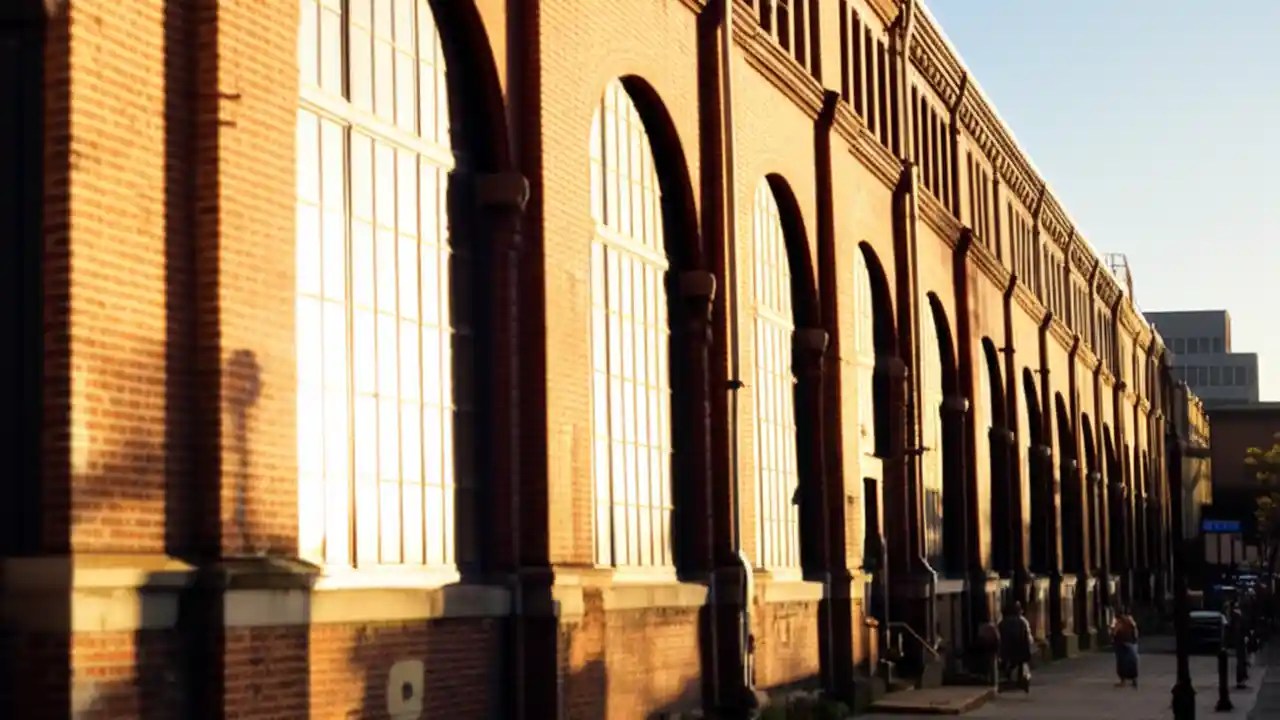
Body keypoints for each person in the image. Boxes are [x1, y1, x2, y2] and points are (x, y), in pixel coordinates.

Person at [997, 601, 1034, 693]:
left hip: (1006, 650)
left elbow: (999, 637)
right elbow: (1025, 637)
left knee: (1008, 664)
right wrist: (1027, 651)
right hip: (1019, 649)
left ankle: (1008, 679)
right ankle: (1021, 680)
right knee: (1020, 664)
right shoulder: (1021, 622)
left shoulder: (1002, 623)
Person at [1110, 606, 1140, 688]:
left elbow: (1114, 631)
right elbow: (1135, 629)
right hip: (1129, 641)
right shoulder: (1129, 619)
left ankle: (1123, 680)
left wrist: (1112, 637)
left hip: (1121, 642)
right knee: (1131, 661)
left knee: (1122, 662)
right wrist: (1135, 638)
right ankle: (1133, 679)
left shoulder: (1117, 620)